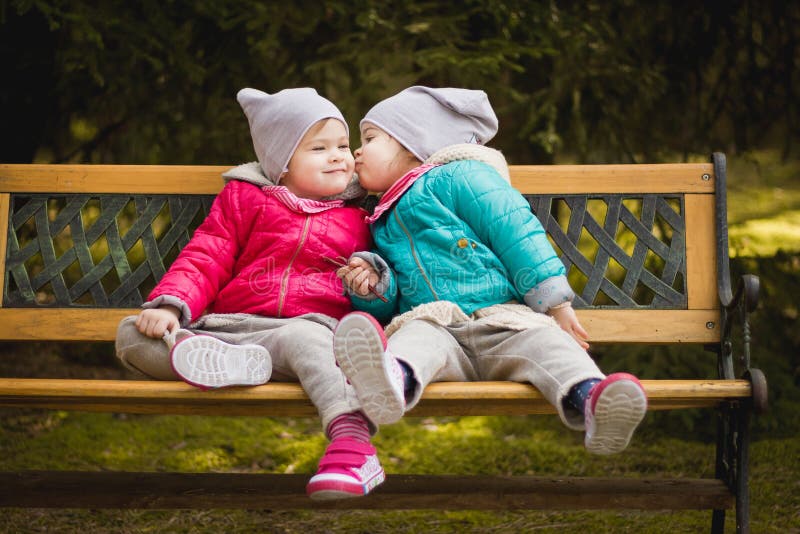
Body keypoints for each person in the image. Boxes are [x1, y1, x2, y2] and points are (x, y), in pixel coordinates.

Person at [334, 86, 648, 455]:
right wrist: (373, 288)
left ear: (412, 143)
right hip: (436, 324)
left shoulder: (459, 177)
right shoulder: (378, 217)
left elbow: (515, 231)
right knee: (413, 339)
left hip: (500, 319)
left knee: (549, 344)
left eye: (369, 138)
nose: (357, 151)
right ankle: (389, 382)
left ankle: (593, 400)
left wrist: (555, 303)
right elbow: (393, 298)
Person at [115, 87, 385, 499]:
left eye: (342, 146)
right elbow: (207, 256)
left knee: (305, 341)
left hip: (304, 330)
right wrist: (170, 305)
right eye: (318, 148)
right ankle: (234, 363)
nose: (338, 156)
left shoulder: (361, 213)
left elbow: (386, 270)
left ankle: (350, 435)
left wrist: (371, 272)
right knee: (131, 334)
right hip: (232, 330)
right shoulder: (245, 199)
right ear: (281, 164)